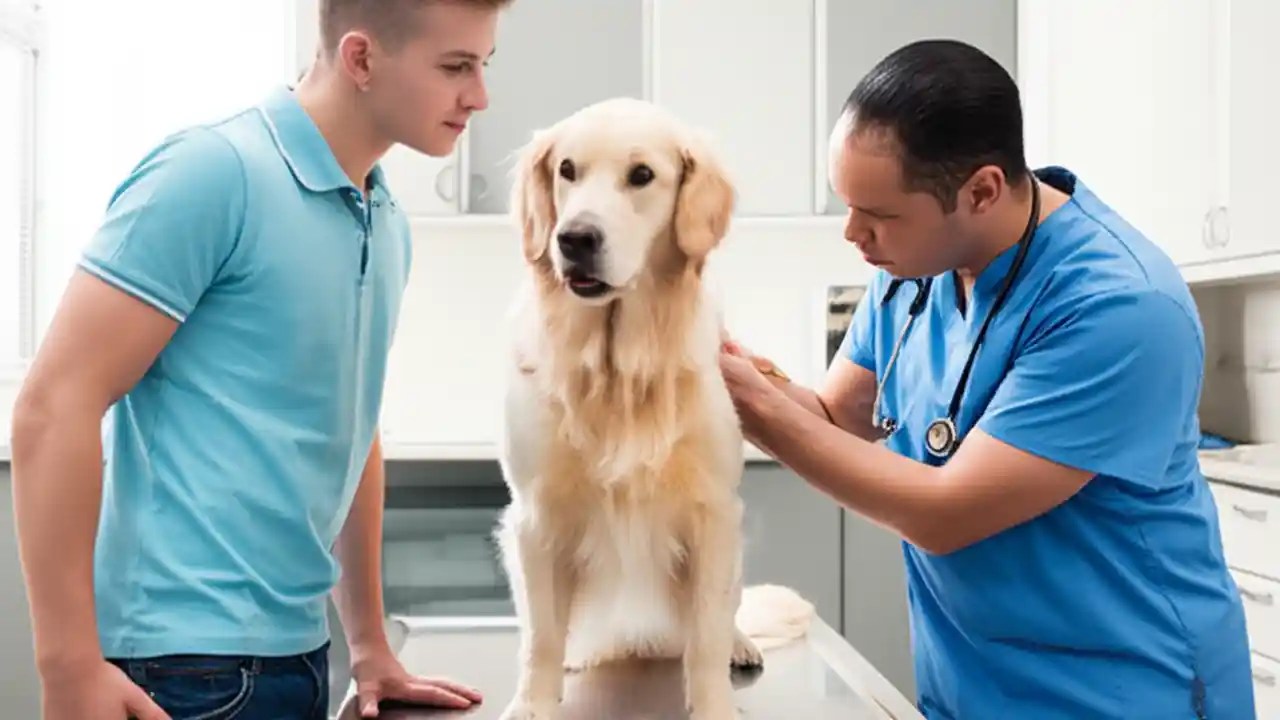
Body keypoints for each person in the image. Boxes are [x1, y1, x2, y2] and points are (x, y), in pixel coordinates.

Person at [719, 39, 1255, 719]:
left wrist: (746, 399)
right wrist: (718, 363)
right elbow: (831, 420)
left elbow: (947, 514)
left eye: (878, 214)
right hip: (972, 689)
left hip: (1122, 692)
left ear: (981, 190)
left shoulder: (1121, 306)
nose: (853, 234)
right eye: (848, 206)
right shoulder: (910, 273)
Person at [10, 1, 512, 718]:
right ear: (362, 59)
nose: (480, 96)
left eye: (482, 65)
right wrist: (67, 668)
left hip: (297, 655)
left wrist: (368, 641)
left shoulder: (381, 216)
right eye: (456, 66)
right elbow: (53, 404)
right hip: (181, 667)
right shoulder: (215, 173)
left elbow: (352, 426)